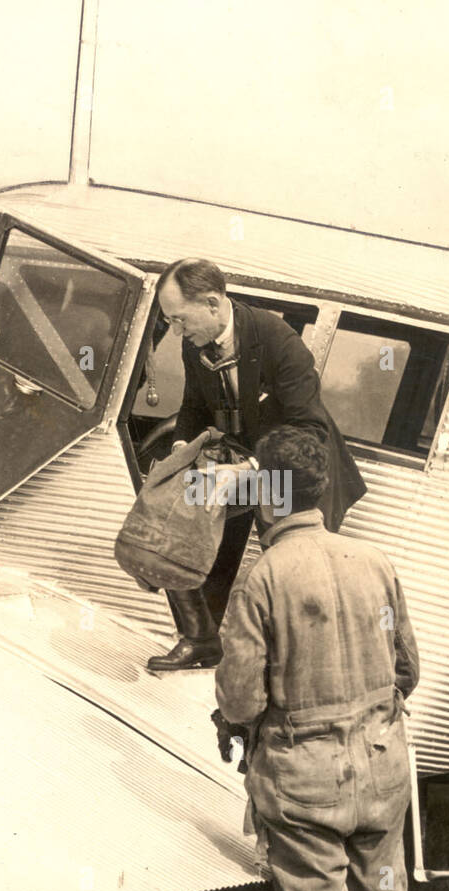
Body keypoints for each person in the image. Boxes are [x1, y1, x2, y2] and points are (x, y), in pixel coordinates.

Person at [213, 425, 420, 891]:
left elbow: (240, 699)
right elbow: (408, 670)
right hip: (383, 770)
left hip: (303, 784)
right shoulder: (375, 561)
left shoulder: (261, 579)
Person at [147, 258, 366, 672]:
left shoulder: (277, 340)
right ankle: (202, 641)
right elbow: (194, 406)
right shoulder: (194, 341)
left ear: (212, 304)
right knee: (184, 519)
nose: (176, 331)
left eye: (179, 320)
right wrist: (181, 451)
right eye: (170, 322)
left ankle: (279, 672)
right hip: (242, 462)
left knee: (288, 568)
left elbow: (309, 429)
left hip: (295, 469)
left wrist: (247, 469)